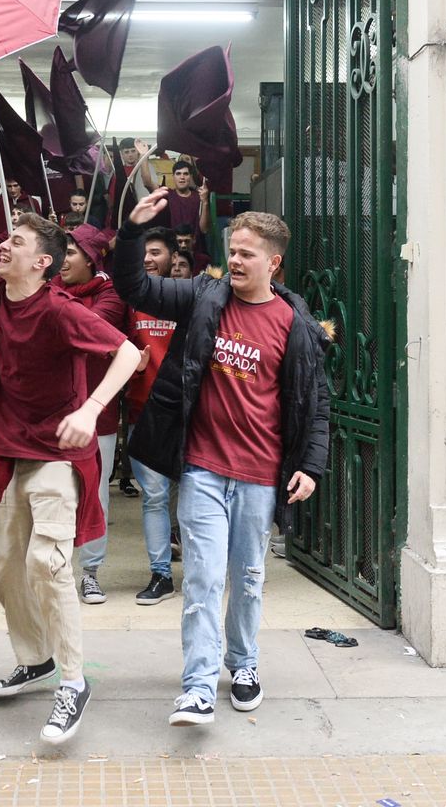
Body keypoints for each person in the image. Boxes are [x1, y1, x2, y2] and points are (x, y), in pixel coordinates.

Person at [0, 113, 142, 746]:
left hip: (56, 455)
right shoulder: (0, 286)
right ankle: (36, 656)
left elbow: (128, 354)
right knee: (4, 566)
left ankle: (72, 683)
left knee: (49, 564)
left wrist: (87, 412)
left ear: (43, 261)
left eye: (18, 241)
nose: (6, 246)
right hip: (11, 453)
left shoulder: (59, 311)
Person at [114, 191, 330, 728]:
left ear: (274, 262)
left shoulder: (295, 322)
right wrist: (132, 232)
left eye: (247, 254)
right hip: (204, 469)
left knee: (248, 577)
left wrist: (311, 464)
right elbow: (135, 287)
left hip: (260, 475)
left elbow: (314, 401)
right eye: (232, 250)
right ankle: (198, 685)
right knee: (205, 578)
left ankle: (244, 663)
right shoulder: (204, 297)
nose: (234, 261)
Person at [51, 224, 127, 605]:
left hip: (99, 416)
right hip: (52, 413)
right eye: (61, 251)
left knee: (95, 495)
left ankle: (91, 572)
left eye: (72, 252)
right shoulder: (50, 292)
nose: (63, 260)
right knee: (53, 493)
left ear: (92, 259)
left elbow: (80, 331)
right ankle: (56, 569)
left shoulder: (111, 297)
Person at [122, 226, 181, 605]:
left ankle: (202, 570)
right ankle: (161, 574)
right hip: (143, 411)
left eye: (156, 251)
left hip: (187, 413)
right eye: (142, 252)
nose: (147, 258)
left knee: (192, 497)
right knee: (154, 496)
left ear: (173, 257)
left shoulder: (189, 297)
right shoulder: (127, 301)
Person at [0, 177, 43, 245]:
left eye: (15, 185)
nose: (12, 189)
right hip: (2, 245)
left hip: (26, 245)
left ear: (21, 185)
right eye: (9, 186)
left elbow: (38, 226)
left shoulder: (33, 202)